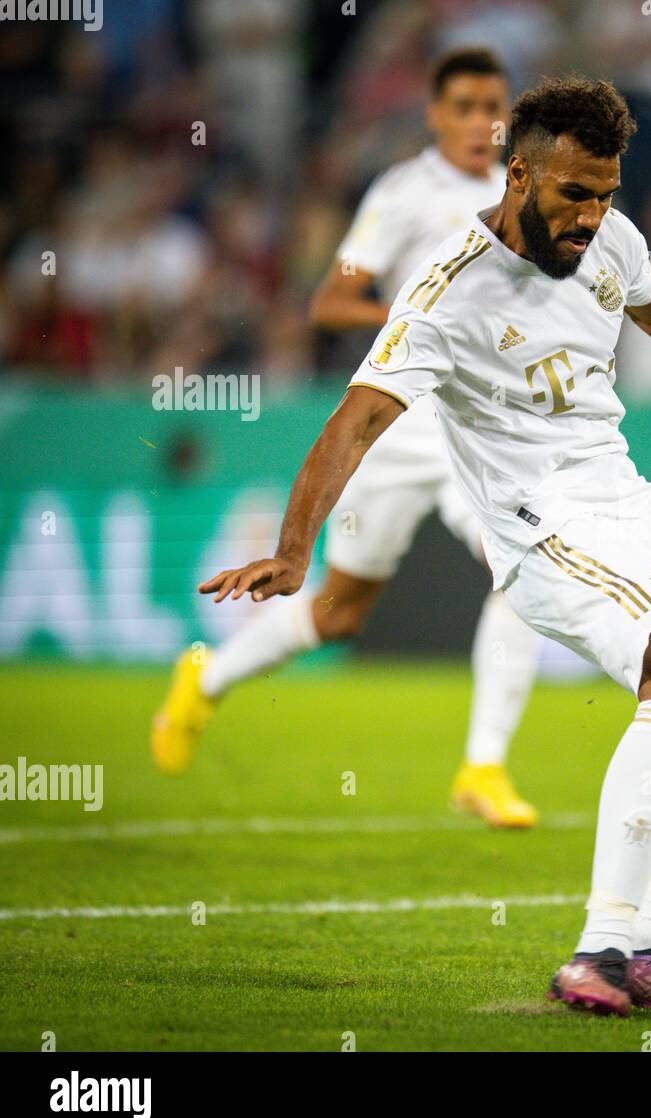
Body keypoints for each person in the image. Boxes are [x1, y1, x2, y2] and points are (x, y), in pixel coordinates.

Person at [197, 77, 651, 1016]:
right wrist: (294, 547)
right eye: (573, 194)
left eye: (605, 192)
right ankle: (599, 953)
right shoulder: (448, 287)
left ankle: (647, 940)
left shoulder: (612, 238)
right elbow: (356, 419)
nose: (592, 215)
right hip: (541, 532)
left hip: (631, 510)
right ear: (519, 173)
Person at [152, 49, 544, 829]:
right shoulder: (403, 193)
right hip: (398, 426)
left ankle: (483, 764)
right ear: (433, 114)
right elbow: (330, 303)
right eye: (462, 106)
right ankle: (206, 677)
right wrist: (420, 327)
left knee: (523, 573)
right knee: (338, 613)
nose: (478, 122)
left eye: (491, 107)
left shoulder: (527, 196)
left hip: (479, 428)